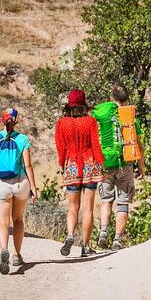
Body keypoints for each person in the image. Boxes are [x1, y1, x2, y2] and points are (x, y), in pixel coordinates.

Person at [92, 84, 146, 251]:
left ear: (111, 98)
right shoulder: (129, 118)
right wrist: (142, 167)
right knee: (123, 203)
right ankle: (117, 240)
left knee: (106, 201)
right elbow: (138, 144)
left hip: (104, 165)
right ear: (126, 99)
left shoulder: (101, 115)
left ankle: (103, 232)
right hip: (125, 165)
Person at [54, 89, 103, 257]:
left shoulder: (62, 123)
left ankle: (69, 236)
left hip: (72, 165)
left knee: (72, 208)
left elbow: (61, 148)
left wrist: (62, 164)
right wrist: (101, 164)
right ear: (84, 104)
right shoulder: (90, 121)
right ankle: (85, 246)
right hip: (90, 165)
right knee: (88, 208)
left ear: (69, 104)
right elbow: (96, 145)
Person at [0, 107, 35, 276]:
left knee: (3, 223)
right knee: (18, 220)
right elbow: (27, 165)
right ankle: (17, 255)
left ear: (2, 120)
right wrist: (34, 188)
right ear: (16, 121)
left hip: (1, 185)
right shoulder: (22, 139)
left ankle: (4, 250)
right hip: (20, 184)